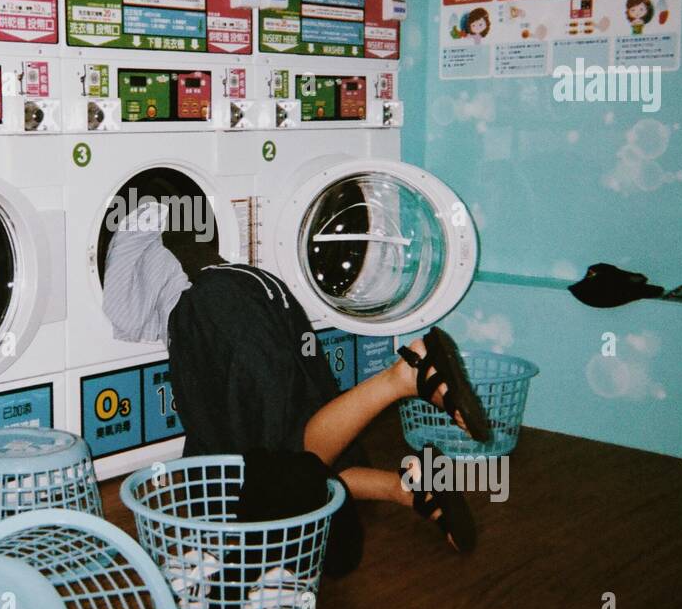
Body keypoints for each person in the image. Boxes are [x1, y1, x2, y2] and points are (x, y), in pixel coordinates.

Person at [102, 202, 490, 569]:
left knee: (278, 462)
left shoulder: (166, 276)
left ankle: (405, 376)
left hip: (213, 306)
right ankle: (407, 487)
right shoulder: (204, 263)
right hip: (266, 293)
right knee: (277, 453)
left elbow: (121, 308)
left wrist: (129, 234)